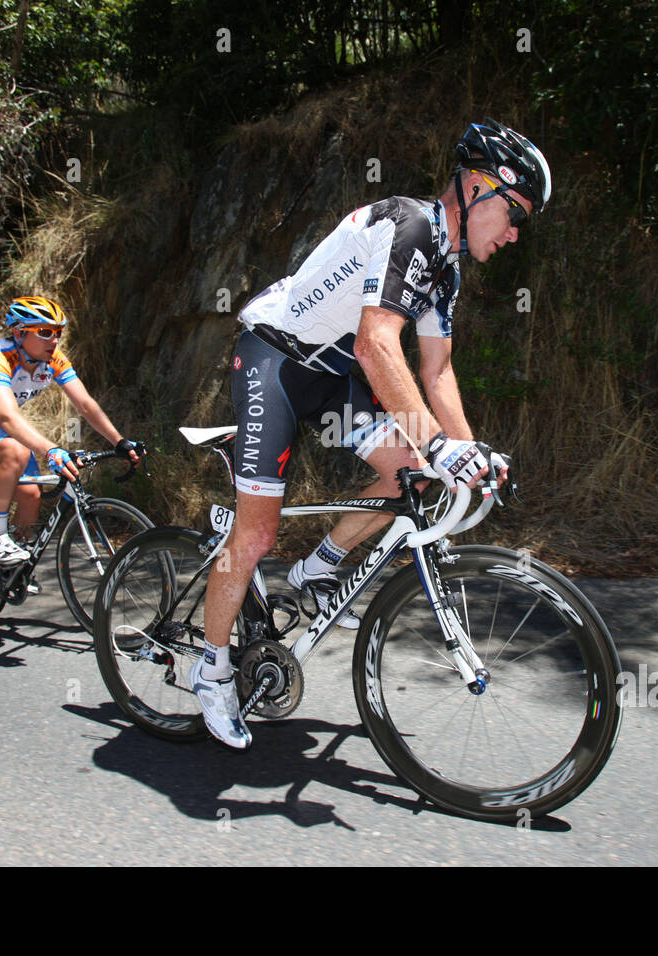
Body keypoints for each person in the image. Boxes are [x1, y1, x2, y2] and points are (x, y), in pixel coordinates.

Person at [191, 119, 551, 748]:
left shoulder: (447, 268)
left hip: (334, 374)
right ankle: (211, 669)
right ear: (475, 188)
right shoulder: (411, 226)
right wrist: (438, 444)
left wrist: (466, 452)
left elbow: (436, 370)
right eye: (515, 211)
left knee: (409, 472)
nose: (516, 232)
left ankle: (317, 570)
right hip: (275, 357)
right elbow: (376, 341)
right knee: (256, 532)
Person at [0, 295, 142, 567]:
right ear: (19, 332)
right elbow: (8, 417)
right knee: (16, 450)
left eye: (57, 333)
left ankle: (13, 572)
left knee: (31, 495)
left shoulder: (53, 360)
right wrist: (51, 450)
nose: (54, 340)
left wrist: (120, 442)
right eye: (45, 332)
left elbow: (86, 404)